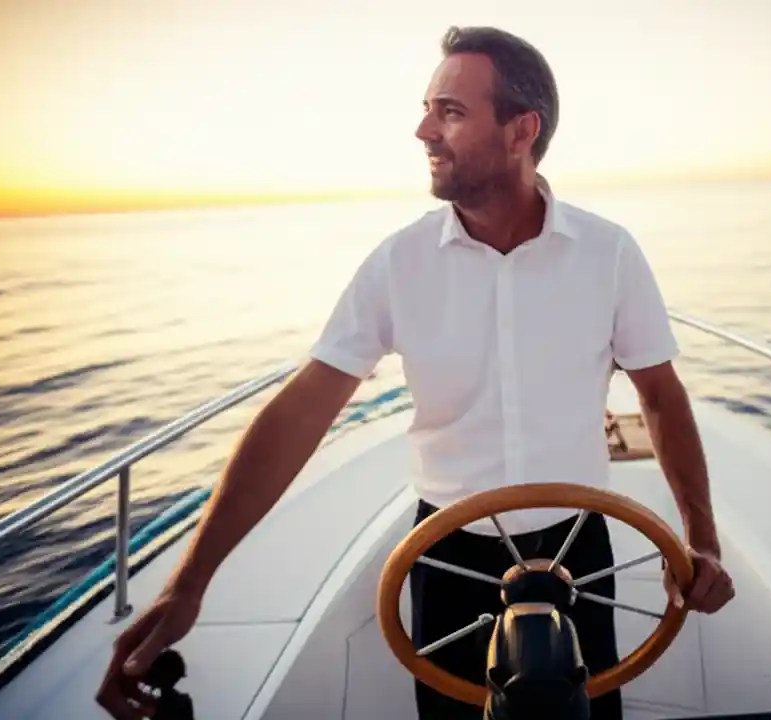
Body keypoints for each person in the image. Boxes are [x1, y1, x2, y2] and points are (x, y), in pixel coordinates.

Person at [96, 25, 734, 720]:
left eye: (451, 112)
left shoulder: (608, 253)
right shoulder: (398, 264)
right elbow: (301, 411)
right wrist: (190, 582)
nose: (423, 130)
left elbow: (662, 398)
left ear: (522, 130)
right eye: (429, 108)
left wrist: (700, 539)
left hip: (581, 549)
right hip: (444, 556)